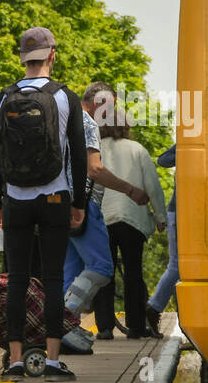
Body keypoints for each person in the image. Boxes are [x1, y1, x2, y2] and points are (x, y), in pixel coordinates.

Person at [0, 27, 87, 381]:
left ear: (21, 58)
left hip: (15, 198)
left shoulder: (3, 98)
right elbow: (77, 155)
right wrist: (79, 201)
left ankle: (15, 361)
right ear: (52, 56)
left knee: (16, 278)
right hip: (56, 196)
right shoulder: (65, 98)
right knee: (54, 278)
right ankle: (54, 361)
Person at [63, 82, 150, 319]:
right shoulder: (88, 123)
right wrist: (130, 190)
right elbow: (95, 170)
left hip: (58, 203)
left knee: (69, 272)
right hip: (84, 203)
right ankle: (65, 317)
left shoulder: (64, 118)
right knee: (102, 267)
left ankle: (62, 334)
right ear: (99, 103)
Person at [93, 110, 168, 339]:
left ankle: (104, 328)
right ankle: (135, 326)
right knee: (133, 273)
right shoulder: (137, 150)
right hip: (132, 219)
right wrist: (160, 217)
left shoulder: (93, 151)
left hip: (101, 218)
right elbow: (152, 185)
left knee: (102, 272)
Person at [145, 143, 178, 336]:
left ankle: (155, 308)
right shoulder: (187, 143)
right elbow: (163, 160)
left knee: (179, 266)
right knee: (177, 266)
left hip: (188, 210)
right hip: (179, 210)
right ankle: (154, 307)